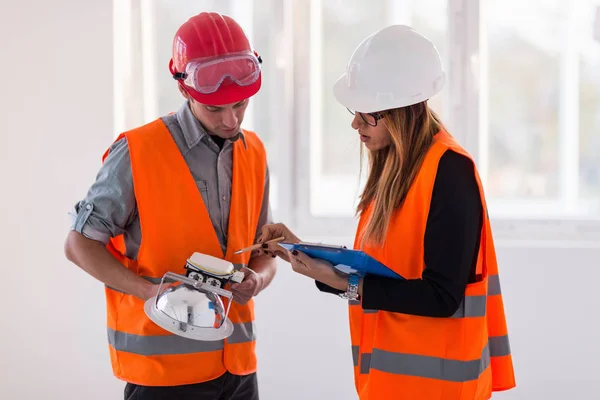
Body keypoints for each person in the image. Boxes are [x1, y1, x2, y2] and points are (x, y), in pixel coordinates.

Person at [258, 25, 516, 399]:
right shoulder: (395, 170)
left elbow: (441, 296)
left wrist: (343, 284)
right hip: (388, 386)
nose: (355, 123)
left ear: (402, 112)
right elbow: (380, 273)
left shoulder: (450, 172)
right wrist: (300, 250)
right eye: (355, 111)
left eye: (368, 114)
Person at [64, 12, 276, 400]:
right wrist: (150, 292)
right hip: (162, 378)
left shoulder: (255, 152)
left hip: (239, 369)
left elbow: (263, 252)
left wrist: (257, 280)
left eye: (241, 105)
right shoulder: (137, 152)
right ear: (184, 89)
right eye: (215, 109)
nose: (231, 120)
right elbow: (79, 245)